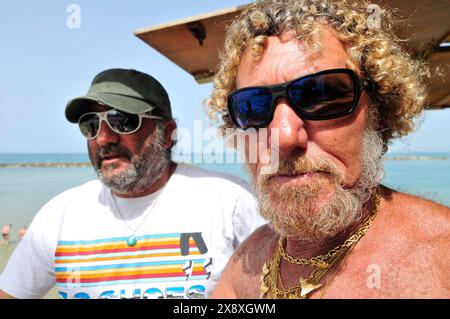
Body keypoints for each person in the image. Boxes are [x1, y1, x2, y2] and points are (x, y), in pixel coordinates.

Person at [207, 0, 450, 298]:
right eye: (253, 106)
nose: (283, 137)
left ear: (378, 110)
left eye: (321, 95)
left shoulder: (440, 258)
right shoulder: (245, 266)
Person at [0, 68, 264, 299]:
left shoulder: (231, 202)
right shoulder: (59, 215)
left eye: (122, 120)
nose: (103, 138)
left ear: (168, 133)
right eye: (91, 125)